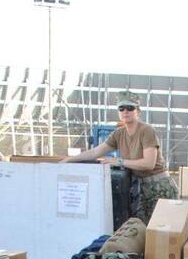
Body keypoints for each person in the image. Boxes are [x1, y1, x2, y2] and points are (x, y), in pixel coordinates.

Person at [62, 91, 179, 223]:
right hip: (140, 189)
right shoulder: (119, 134)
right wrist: (70, 159)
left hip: (159, 188)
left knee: (162, 232)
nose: (125, 112)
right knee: (140, 233)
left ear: (138, 111)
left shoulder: (146, 130)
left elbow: (149, 163)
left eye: (130, 108)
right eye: (121, 108)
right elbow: (95, 152)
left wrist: (119, 161)